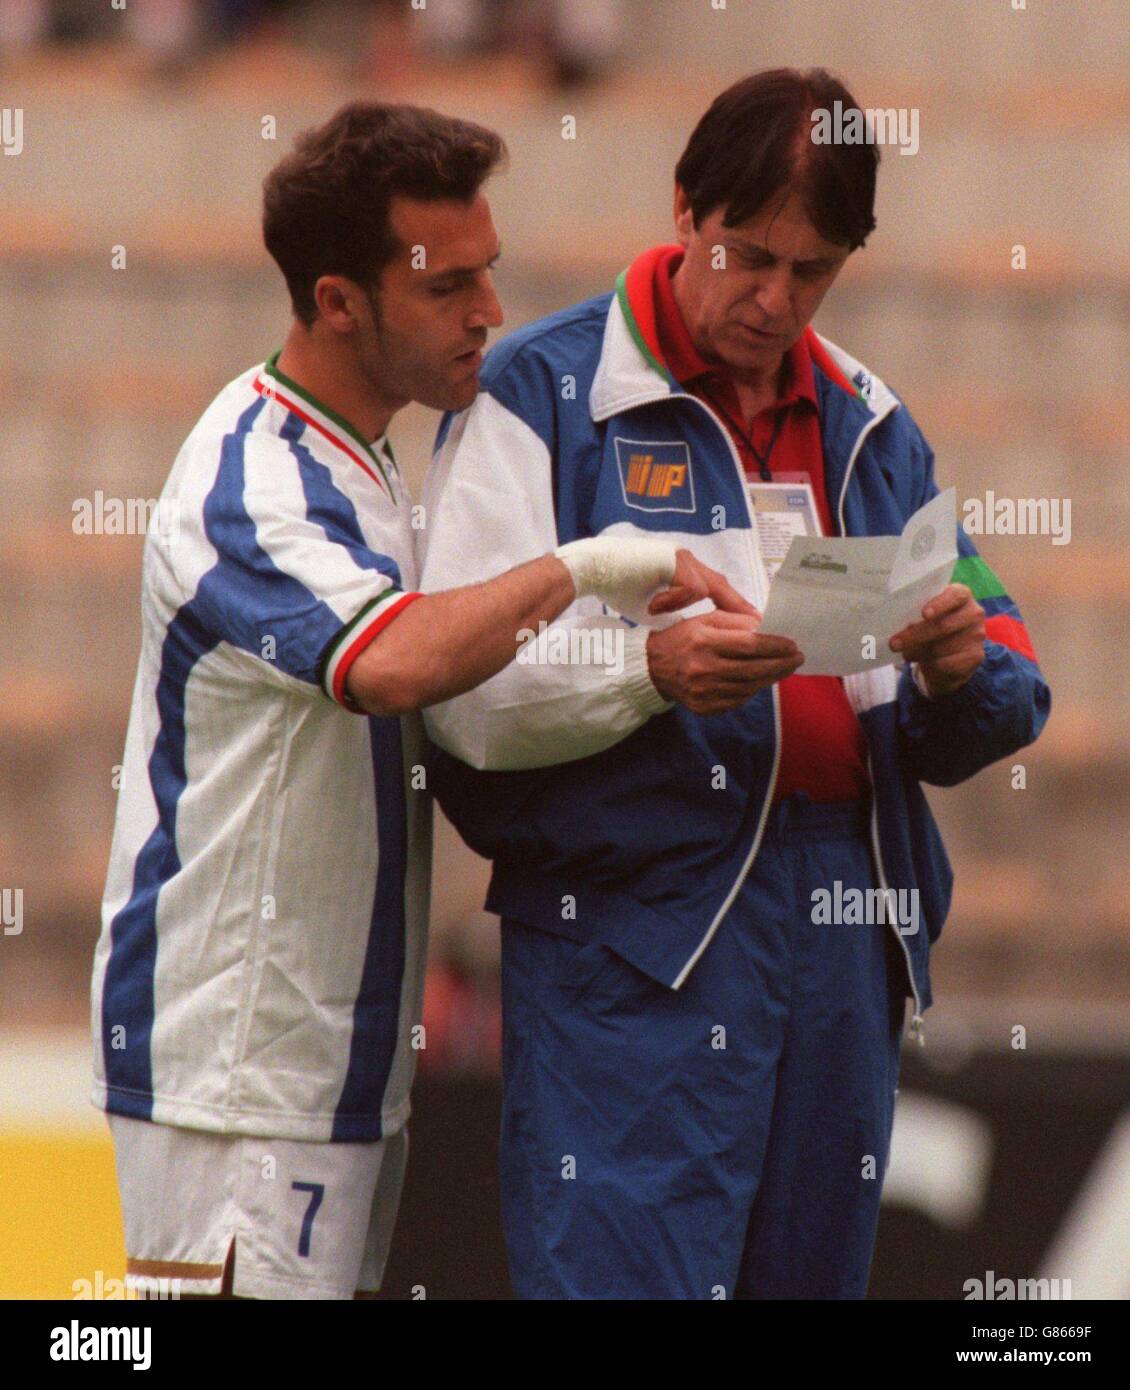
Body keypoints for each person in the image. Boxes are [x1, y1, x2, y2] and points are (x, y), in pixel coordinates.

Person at [89, 100, 745, 1301]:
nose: (489, 311)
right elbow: (394, 662)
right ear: (339, 301)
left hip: (328, 1058)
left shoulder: (371, 462)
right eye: (447, 285)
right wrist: (591, 563)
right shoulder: (253, 477)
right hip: (237, 1066)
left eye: (488, 275)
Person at [417, 67, 1051, 1299]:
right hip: (633, 933)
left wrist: (960, 670)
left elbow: (1010, 653)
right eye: (743, 254)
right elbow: (455, 693)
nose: (772, 300)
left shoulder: (871, 419)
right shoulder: (540, 398)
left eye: (811, 271)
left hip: (843, 934)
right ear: (681, 209)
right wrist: (643, 672)